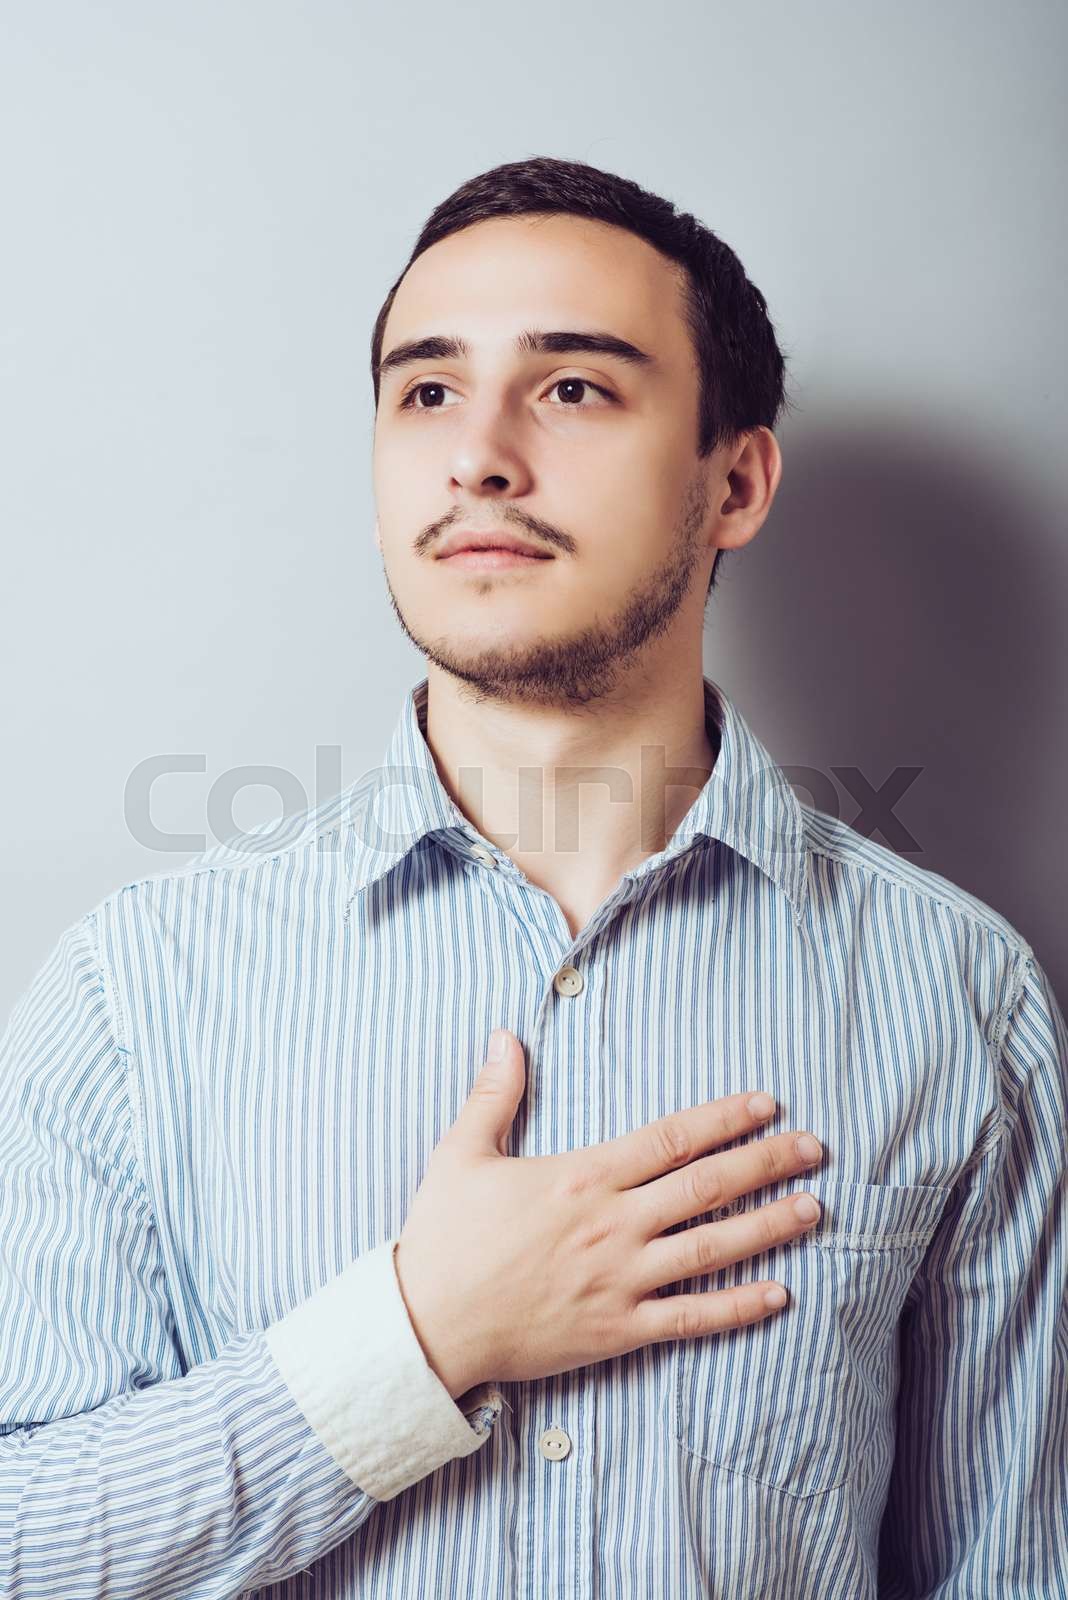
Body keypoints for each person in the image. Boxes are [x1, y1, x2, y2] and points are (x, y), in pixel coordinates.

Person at [1, 155, 1064, 1599]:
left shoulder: (963, 1000)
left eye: (573, 388)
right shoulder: (136, 994)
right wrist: (415, 1339)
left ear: (735, 479)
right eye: (426, 392)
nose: (479, 456)